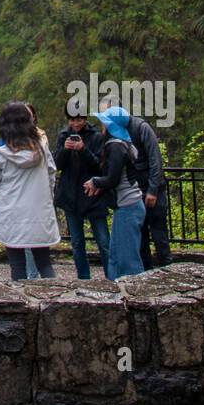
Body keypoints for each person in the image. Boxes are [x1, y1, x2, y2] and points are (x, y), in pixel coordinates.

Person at [0, 101, 59, 280]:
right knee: (45, 263)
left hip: (10, 216)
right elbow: (51, 174)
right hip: (39, 213)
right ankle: (54, 301)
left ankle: (21, 305)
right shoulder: (42, 147)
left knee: (17, 265)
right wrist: (47, 200)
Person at [83, 107, 145, 279]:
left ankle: (134, 298)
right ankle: (115, 294)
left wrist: (95, 181)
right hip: (127, 206)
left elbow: (113, 179)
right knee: (116, 258)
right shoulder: (126, 143)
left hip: (127, 206)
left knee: (128, 262)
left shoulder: (115, 146)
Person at [54, 99, 110, 279]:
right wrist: (65, 150)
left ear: (85, 118)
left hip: (93, 194)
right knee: (77, 243)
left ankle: (111, 277)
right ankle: (83, 278)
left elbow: (100, 167)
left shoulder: (96, 136)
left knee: (103, 241)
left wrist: (83, 149)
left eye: (79, 119)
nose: (76, 123)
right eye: (72, 119)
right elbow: (56, 164)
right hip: (71, 196)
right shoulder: (64, 135)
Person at [128, 113, 172, 269]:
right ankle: (146, 273)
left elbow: (155, 160)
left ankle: (167, 271)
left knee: (159, 236)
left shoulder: (141, 128)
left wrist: (153, 190)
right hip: (135, 192)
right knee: (141, 238)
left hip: (153, 191)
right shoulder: (117, 131)